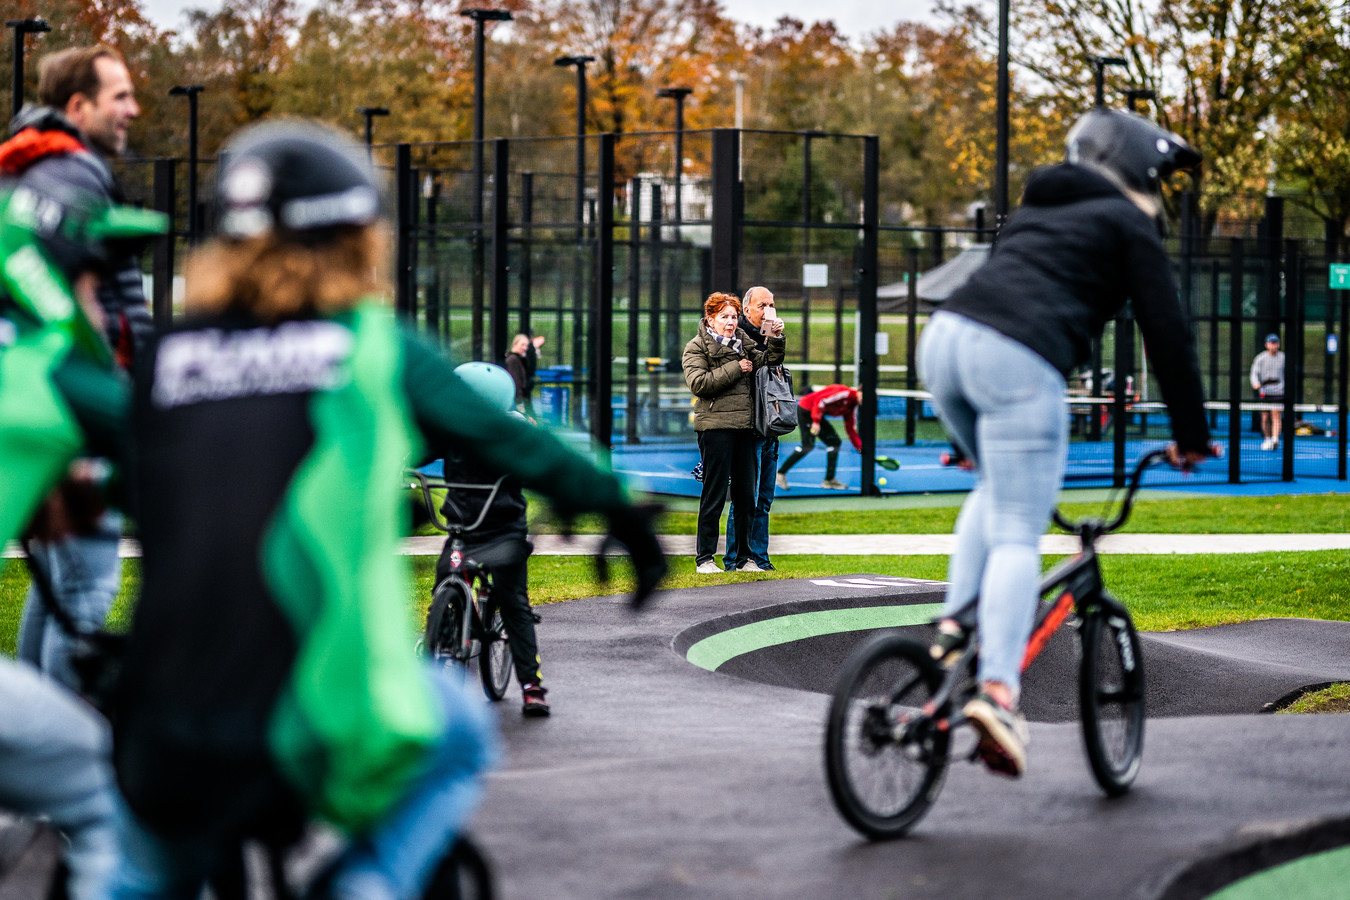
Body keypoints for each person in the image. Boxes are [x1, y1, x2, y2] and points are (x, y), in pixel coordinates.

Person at [109, 120, 665, 900]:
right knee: (463, 732)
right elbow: (506, 436)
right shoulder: (370, 345)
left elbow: (118, 482)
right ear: (354, 236)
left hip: (163, 729)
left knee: (136, 869)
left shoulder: (165, 358)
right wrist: (621, 510)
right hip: (311, 717)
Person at [917, 107, 1211, 778]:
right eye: (1160, 178)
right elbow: (1167, 331)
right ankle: (997, 692)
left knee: (993, 489)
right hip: (1018, 358)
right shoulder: (1126, 224)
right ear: (1137, 168)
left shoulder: (1037, 210)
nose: (1160, 192)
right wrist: (1191, 436)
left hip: (944, 344)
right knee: (1020, 532)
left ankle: (951, 632)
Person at [0, 169, 167, 900]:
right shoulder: (57, 371)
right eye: (100, 288)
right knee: (98, 778)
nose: (108, 311)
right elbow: (189, 475)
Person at [0, 44, 147, 691]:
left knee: (61, 587)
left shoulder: (27, 167)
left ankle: (26, 759)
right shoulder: (72, 174)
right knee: (87, 588)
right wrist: (106, 400)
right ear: (78, 105)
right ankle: (58, 760)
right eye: (119, 96)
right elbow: (64, 301)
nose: (133, 110)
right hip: (77, 416)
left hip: (54, 408)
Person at [436, 361, 552, 717]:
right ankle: (443, 639)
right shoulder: (450, 430)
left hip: (504, 531)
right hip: (462, 529)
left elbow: (539, 460)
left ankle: (531, 686)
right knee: (445, 577)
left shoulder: (513, 432)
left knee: (513, 602)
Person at [683, 291, 785, 574]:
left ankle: (744, 559)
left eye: (733, 316)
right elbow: (699, 384)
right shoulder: (695, 347)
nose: (730, 322)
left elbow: (768, 362)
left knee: (745, 497)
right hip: (715, 429)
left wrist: (775, 338)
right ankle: (705, 559)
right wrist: (736, 368)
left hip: (745, 429)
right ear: (710, 319)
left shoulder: (743, 339)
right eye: (724, 317)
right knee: (714, 495)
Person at [721, 286, 786, 571]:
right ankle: (735, 558)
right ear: (747, 309)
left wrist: (777, 338)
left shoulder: (769, 335)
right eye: (762, 305)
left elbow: (775, 366)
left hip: (769, 426)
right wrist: (769, 339)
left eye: (771, 304)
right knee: (745, 498)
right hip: (748, 430)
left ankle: (759, 557)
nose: (768, 310)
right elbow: (756, 365)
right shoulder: (738, 335)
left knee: (765, 499)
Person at [775, 384, 862, 490]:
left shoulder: (851, 406)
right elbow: (820, 400)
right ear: (859, 391)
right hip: (806, 410)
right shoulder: (845, 393)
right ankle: (780, 474)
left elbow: (850, 428)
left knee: (834, 442)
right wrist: (816, 421)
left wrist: (859, 447)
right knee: (808, 445)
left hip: (816, 413)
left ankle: (829, 480)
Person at [1249, 333, 1285, 450]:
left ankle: (1275, 439)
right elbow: (1254, 373)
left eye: (1275, 343)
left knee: (1276, 416)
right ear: (1266, 345)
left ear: (1278, 345)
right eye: (1271, 343)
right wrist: (1255, 383)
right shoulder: (1260, 358)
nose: (1274, 346)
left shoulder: (1283, 358)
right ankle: (1267, 439)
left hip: (1279, 392)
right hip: (1265, 392)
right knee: (1265, 417)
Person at [503, 332, 536, 420]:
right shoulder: (513, 360)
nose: (525, 348)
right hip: (517, 401)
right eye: (522, 345)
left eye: (527, 346)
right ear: (515, 344)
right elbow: (516, 382)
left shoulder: (519, 359)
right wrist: (520, 403)